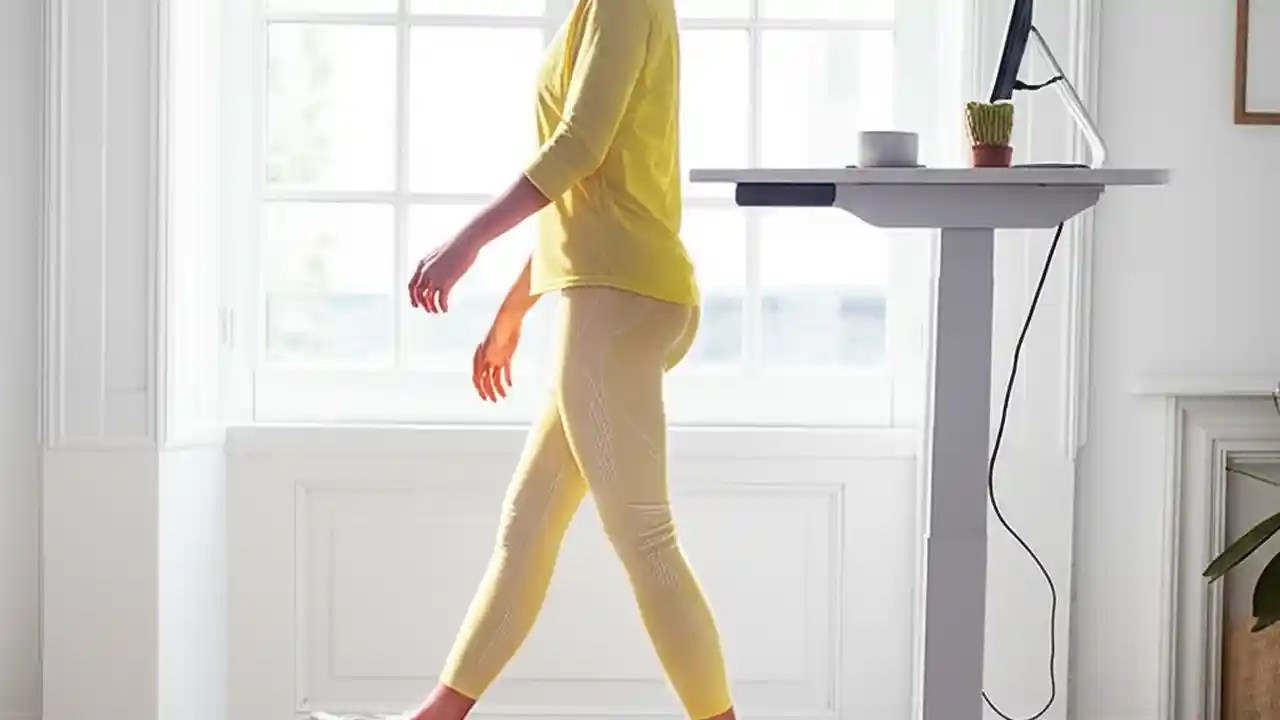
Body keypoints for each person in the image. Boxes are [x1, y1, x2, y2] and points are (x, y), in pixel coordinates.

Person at [314, 1, 736, 719]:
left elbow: (579, 146)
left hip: (617, 298)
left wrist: (468, 240)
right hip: (610, 291)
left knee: (644, 537)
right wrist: (517, 306)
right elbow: (587, 192)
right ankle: (438, 717)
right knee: (528, 524)